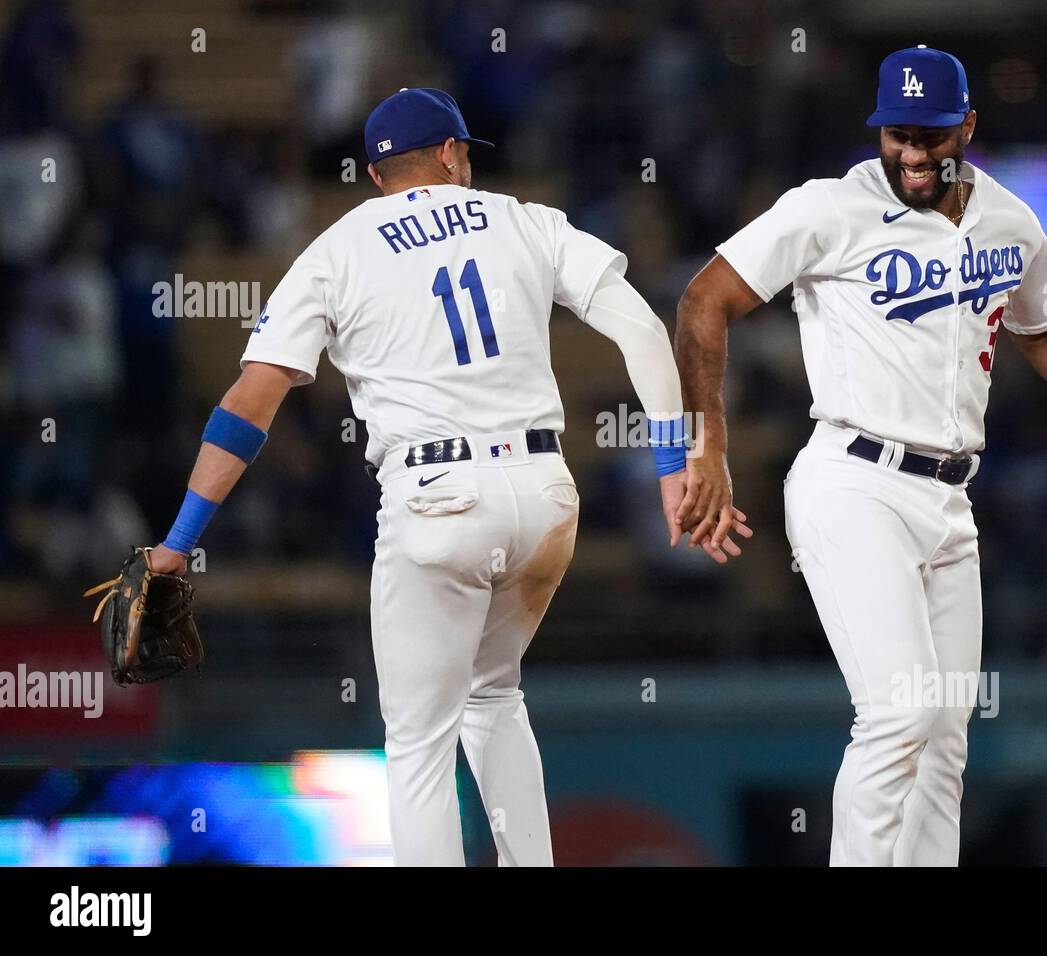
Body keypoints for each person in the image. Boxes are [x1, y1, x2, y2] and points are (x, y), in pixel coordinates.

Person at [144, 88, 749, 866]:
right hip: (543, 494)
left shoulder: (338, 248)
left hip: (436, 500)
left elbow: (246, 407)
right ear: (455, 154)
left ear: (373, 174)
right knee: (494, 697)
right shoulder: (523, 218)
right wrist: (673, 465)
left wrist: (178, 540)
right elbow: (638, 326)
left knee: (418, 742)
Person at [672, 46, 1047, 865]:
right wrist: (707, 445)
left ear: (968, 128)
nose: (912, 153)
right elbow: (706, 298)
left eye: (931, 136)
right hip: (853, 483)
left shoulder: (1008, 219)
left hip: (951, 500)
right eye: (898, 134)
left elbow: (1044, 325)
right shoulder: (827, 210)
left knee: (945, 738)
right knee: (899, 715)